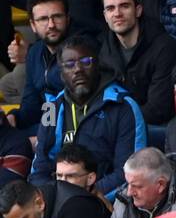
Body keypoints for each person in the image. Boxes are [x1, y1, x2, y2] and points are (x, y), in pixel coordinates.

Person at [30, 37, 147, 199]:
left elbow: (128, 172)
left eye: (86, 61)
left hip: (104, 200)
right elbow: (40, 166)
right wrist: (52, 197)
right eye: (69, 65)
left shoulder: (124, 106)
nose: (78, 69)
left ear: (98, 65)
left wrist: (83, 196)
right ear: (61, 73)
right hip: (57, 199)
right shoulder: (50, 108)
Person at [99, 0, 176, 130]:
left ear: (138, 10)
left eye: (124, 6)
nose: (117, 13)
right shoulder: (104, 51)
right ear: (105, 16)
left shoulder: (164, 47)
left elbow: (158, 109)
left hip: (158, 128)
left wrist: (118, 123)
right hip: (120, 126)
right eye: (110, 8)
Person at [8, 0, 69, 132]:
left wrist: (41, 138)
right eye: (43, 19)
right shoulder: (35, 53)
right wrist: (15, 118)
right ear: (32, 26)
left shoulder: (78, 52)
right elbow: (31, 104)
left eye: (57, 16)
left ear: (68, 19)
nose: (51, 25)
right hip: (47, 126)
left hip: (72, 131)